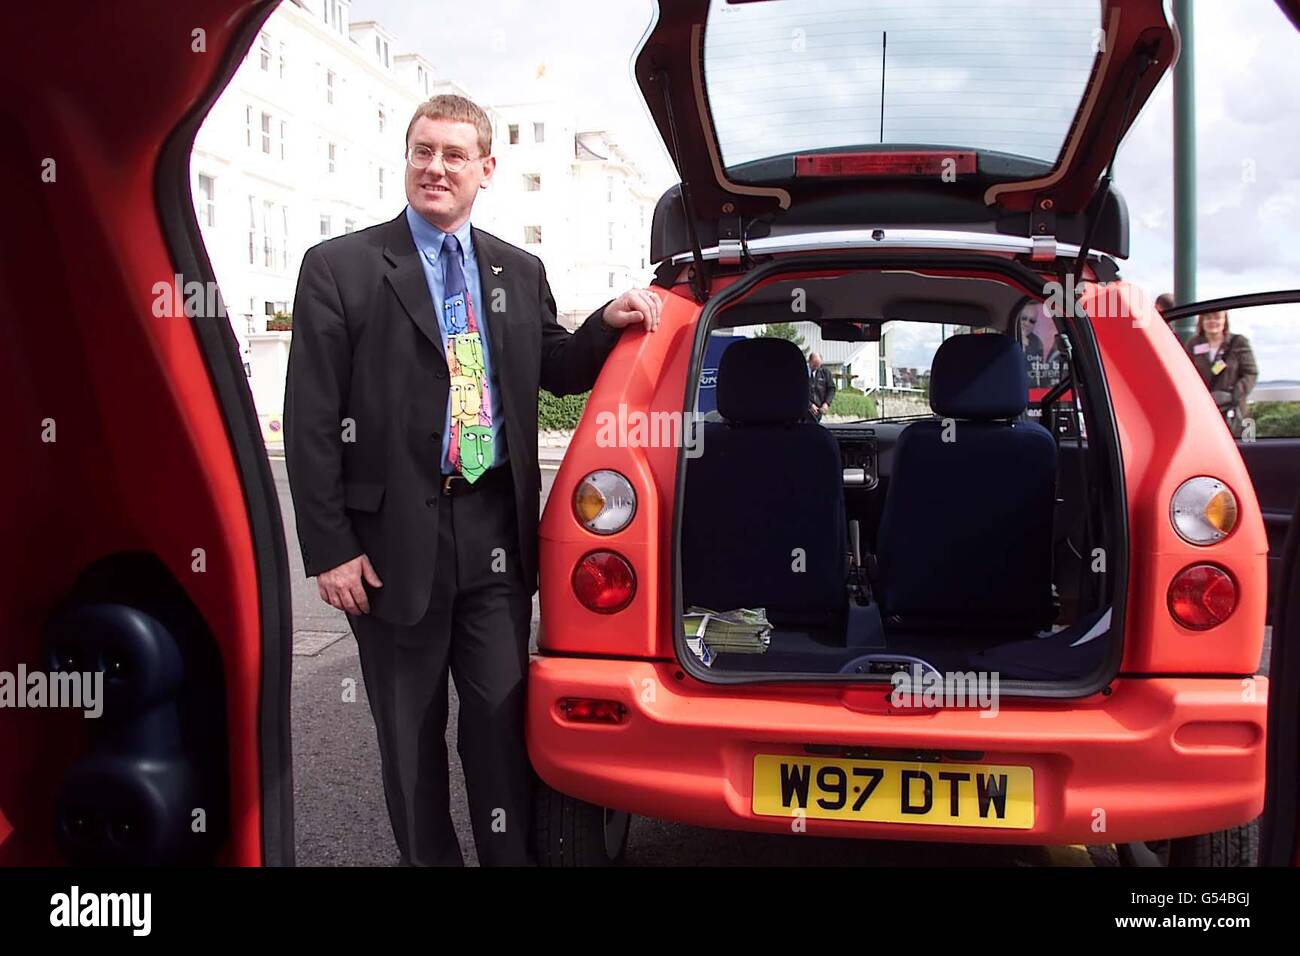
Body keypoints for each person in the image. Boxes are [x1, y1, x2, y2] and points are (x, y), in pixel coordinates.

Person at [283, 95, 661, 866]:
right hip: (389, 546)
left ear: (486, 170)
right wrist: (329, 548)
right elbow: (313, 418)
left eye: (455, 155)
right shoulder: (342, 267)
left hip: (493, 534)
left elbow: (552, 365)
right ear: (407, 158)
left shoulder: (516, 269)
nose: (436, 167)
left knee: (499, 724)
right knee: (410, 740)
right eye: (424, 151)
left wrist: (608, 321)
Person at [1184, 310, 1258, 437]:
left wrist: (1233, 395)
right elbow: (1185, 375)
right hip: (1204, 411)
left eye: (1217, 318)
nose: (1213, 321)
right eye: (1208, 318)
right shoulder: (1193, 344)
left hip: (1234, 412)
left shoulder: (1238, 342)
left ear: (1225, 320)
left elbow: (1251, 373)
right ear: (1201, 321)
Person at [806, 352, 836, 422]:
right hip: (805, 411)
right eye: (814, 364)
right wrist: (809, 405)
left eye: (818, 364)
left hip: (818, 411)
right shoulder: (803, 373)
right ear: (809, 361)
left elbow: (831, 389)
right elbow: (799, 391)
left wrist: (826, 403)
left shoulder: (825, 373)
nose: (816, 366)